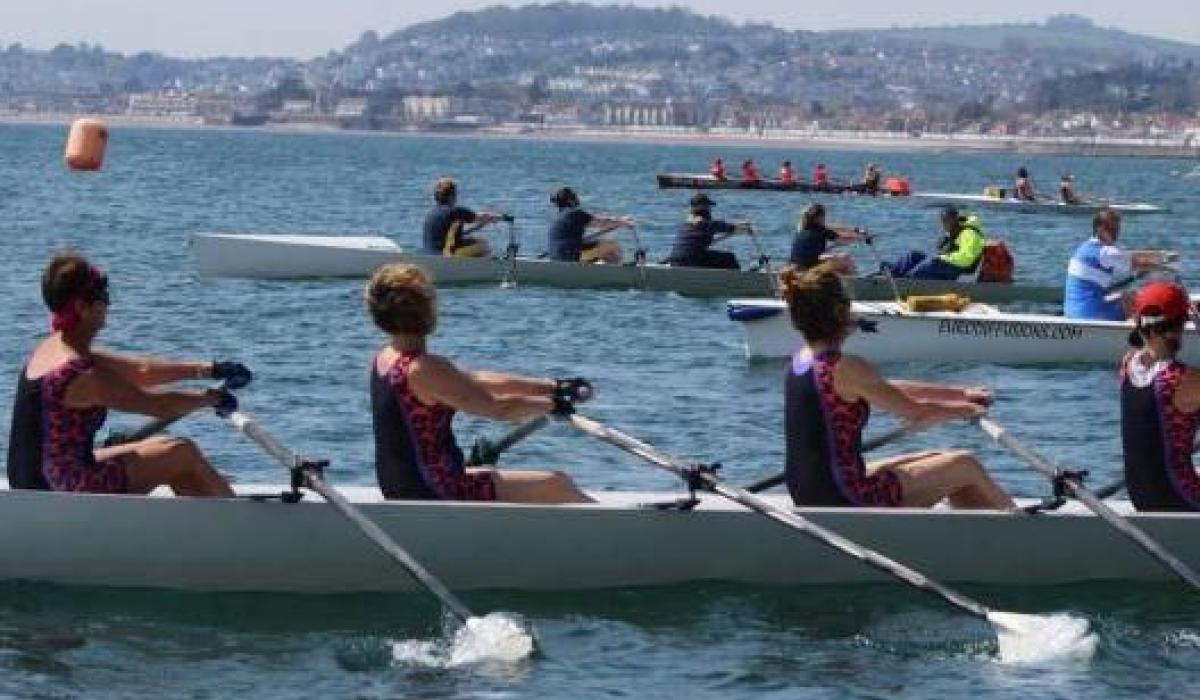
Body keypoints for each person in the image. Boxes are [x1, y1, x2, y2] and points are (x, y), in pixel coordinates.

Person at [779, 263, 1015, 510]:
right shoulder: (845, 367)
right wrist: (967, 410)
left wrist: (959, 394)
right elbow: (914, 413)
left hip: (809, 490)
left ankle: (976, 534)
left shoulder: (801, 361)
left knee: (935, 458)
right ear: (841, 313)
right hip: (844, 496)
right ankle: (1024, 535)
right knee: (964, 464)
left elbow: (884, 388)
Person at [7, 252, 242, 497]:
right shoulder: (83, 376)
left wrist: (210, 369)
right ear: (82, 307)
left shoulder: (54, 348)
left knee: (163, 447)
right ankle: (241, 525)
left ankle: (207, 525)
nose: (108, 304)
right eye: (103, 297)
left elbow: (142, 370)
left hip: (36, 480)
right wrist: (212, 399)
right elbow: (159, 406)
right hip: (59, 488)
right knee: (183, 452)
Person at [366, 263, 594, 503]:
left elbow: (474, 380)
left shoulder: (386, 359)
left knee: (533, 481)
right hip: (435, 489)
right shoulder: (423, 368)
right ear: (426, 309)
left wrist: (553, 386)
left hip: (405, 486)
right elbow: (497, 408)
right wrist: (551, 404)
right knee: (557, 484)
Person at [1121, 281, 1200, 512]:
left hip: (1140, 497)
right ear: (1178, 327)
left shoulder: (1127, 365)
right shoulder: (1183, 378)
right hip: (1181, 498)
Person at [1064, 207, 1172, 321]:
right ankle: (1137, 332)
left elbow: (1126, 255)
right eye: (1111, 230)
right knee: (1130, 297)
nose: (1116, 234)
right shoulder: (1107, 252)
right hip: (1090, 315)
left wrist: (1160, 255)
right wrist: (1167, 268)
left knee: (1120, 296)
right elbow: (1138, 263)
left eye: (1117, 229)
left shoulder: (1084, 248)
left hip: (1072, 312)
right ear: (1100, 230)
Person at [882, 207, 985, 281]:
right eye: (943, 221)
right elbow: (942, 250)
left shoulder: (970, 234)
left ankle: (906, 281)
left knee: (932, 262)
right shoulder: (953, 232)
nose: (944, 224)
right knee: (913, 255)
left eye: (947, 221)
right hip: (947, 265)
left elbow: (967, 258)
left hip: (957, 270)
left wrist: (944, 258)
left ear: (955, 220)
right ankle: (895, 272)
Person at [546, 187, 632, 264]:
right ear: (570, 200)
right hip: (571, 257)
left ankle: (606, 268)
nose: (577, 198)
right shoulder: (576, 214)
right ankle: (618, 271)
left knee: (601, 244)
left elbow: (571, 240)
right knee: (611, 245)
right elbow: (602, 223)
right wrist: (622, 221)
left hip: (555, 257)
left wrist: (619, 222)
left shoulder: (558, 216)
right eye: (575, 196)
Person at [664, 193, 752, 269]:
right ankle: (738, 280)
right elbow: (725, 226)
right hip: (691, 260)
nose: (710, 209)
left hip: (675, 260)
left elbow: (701, 243)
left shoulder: (687, 223)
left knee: (714, 257)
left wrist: (736, 232)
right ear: (703, 207)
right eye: (709, 206)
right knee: (729, 257)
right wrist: (744, 226)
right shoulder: (702, 222)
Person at [422, 177, 504, 258]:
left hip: (430, 256)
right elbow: (482, 216)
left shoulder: (430, 214)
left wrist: (481, 225)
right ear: (452, 196)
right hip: (445, 257)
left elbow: (453, 235)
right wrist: (501, 217)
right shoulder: (455, 211)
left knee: (468, 241)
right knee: (482, 244)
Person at [789, 203, 866, 274]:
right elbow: (843, 239)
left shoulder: (802, 228)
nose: (825, 218)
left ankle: (839, 281)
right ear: (820, 217)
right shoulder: (821, 230)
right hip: (809, 266)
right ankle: (855, 282)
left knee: (833, 257)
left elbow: (834, 228)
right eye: (824, 216)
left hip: (795, 265)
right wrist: (862, 238)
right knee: (846, 258)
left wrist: (855, 230)